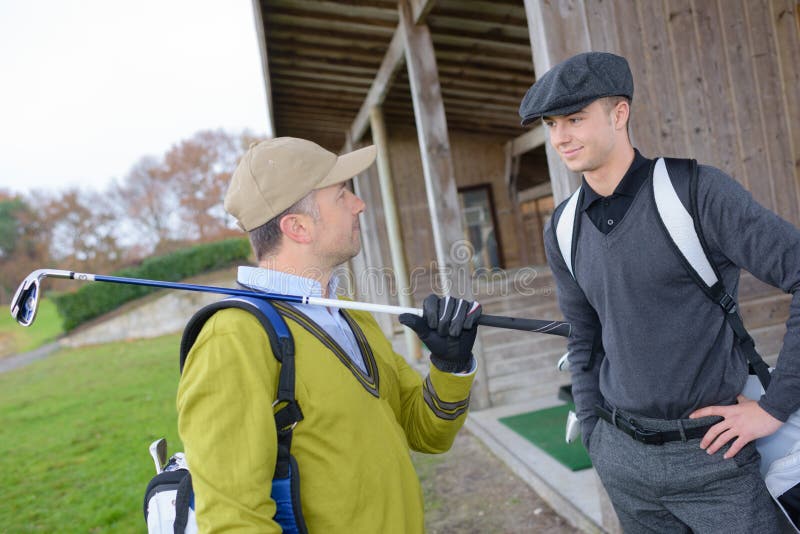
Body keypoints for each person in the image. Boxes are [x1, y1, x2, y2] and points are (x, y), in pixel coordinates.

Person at [519, 52, 800, 532]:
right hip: (624, 465)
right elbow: (584, 338)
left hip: (716, 461)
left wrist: (775, 408)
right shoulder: (563, 226)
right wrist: (594, 431)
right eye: (551, 124)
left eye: (575, 119)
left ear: (619, 114)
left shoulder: (696, 192)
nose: (560, 137)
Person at [176, 137, 482, 533]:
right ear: (298, 227)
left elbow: (425, 433)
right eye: (341, 195)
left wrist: (450, 366)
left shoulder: (350, 312)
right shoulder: (231, 339)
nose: (359, 203)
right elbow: (234, 519)